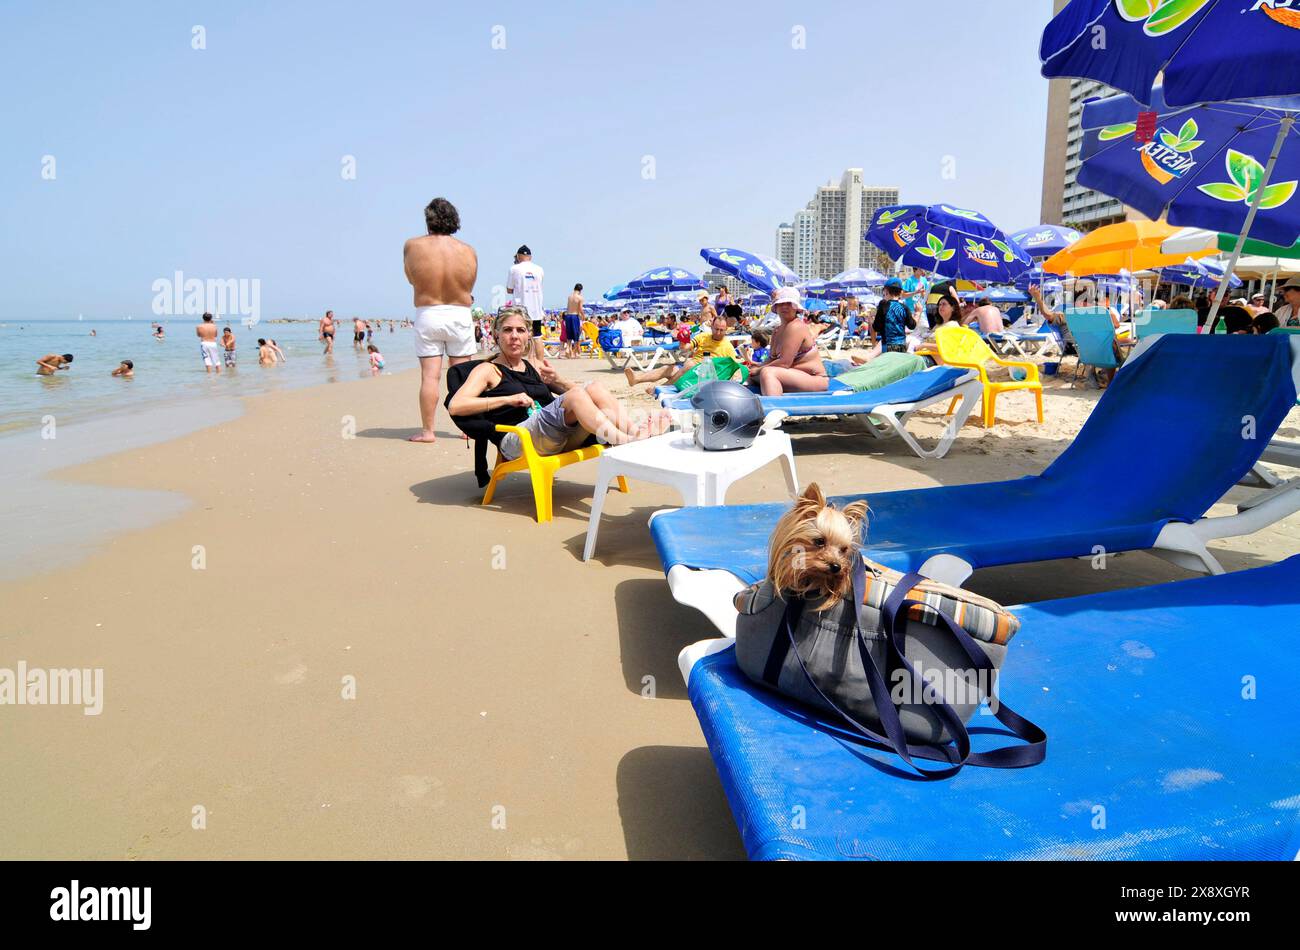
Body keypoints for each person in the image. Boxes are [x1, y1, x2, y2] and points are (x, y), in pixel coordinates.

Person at [449, 308, 669, 461]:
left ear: (528, 336)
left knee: (595, 387)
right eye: (507, 330)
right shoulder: (488, 369)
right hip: (518, 440)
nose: (514, 336)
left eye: (520, 330)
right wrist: (508, 399)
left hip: (553, 435)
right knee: (576, 396)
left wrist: (557, 380)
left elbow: (583, 394)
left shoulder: (531, 366)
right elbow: (456, 406)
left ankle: (634, 433)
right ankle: (625, 441)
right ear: (496, 335)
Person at [405, 197, 478, 444]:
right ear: (454, 221)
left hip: (428, 312)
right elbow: (469, 285)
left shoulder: (412, 246)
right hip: (459, 313)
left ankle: (428, 432)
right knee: (463, 376)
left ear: (429, 221)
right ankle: (467, 429)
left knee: (430, 377)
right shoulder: (468, 250)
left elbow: (411, 278)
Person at [623, 314, 738, 389]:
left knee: (689, 364)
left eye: (721, 330)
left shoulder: (728, 347)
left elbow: (732, 369)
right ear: (711, 327)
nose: (718, 332)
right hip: (690, 368)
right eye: (716, 329)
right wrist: (682, 341)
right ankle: (636, 379)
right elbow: (687, 347)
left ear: (726, 329)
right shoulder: (703, 336)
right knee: (668, 369)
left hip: (705, 375)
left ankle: (661, 388)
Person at [750, 287, 829, 396]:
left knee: (767, 372)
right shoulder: (777, 330)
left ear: (796, 307)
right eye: (781, 303)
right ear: (776, 307)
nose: (785, 306)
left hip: (814, 378)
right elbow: (771, 359)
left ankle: (774, 408)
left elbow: (784, 363)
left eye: (789, 303)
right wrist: (756, 367)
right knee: (751, 374)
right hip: (793, 375)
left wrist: (759, 370)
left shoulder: (796, 327)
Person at [506, 244, 546, 360]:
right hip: (536, 308)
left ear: (518, 256)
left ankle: (522, 363)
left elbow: (509, 289)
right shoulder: (539, 269)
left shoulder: (514, 269)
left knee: (520, 336)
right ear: (530, 257)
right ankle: (540, 365)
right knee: (537, 336)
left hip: (521, 309)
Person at [873, 279, 916, 354]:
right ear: (901, 293)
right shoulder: (904, 307)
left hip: (887, 346)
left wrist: (871, 321)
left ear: (886, 291)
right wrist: (918, 313)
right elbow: (912, 326)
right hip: (901, 346)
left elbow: (877, 327)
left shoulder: (883, 305)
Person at [564, 284, 585, 359]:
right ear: (580, 290)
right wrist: (583, 316)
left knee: (569, 335)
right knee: (576, 336)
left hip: (568, 316)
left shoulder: (569, 297)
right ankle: (574, 353)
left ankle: (567, 349)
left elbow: (568, 307)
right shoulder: (580, 298)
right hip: (574, 316)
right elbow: (580, 309)